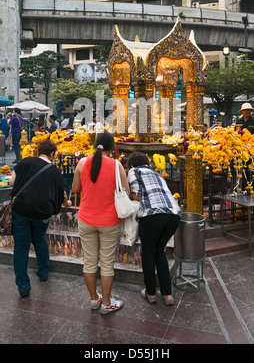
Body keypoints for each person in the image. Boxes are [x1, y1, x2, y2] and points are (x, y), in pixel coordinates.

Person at [72, 132, 129, 314]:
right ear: (112, 148)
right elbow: (126, 191)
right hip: (109, 222)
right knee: (106, 263)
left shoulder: (82, 163)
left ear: (95, 145)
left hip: (86, 219)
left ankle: (93, 299)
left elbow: (75, 189)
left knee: (89, 262)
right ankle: (106, 303)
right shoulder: (116, 165)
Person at [10, 139, 65, 297]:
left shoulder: (24, 162)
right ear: (52, 154)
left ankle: (23, 287)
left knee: (21, 247)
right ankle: (43, 272)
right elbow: (59, 195)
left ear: (37, 151)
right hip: (42, 212)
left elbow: (13, 182)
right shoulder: (54, 171)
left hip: (21, 210)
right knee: (39, 239)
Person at [127, 151, 182, 306]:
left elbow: (137, 195)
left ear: (131, 164)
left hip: (152, 215)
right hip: (173, 215)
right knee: (159, 251)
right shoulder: (156, 173)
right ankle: (167, 294)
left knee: (148, 252)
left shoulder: (134, 171)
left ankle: (150, 293)